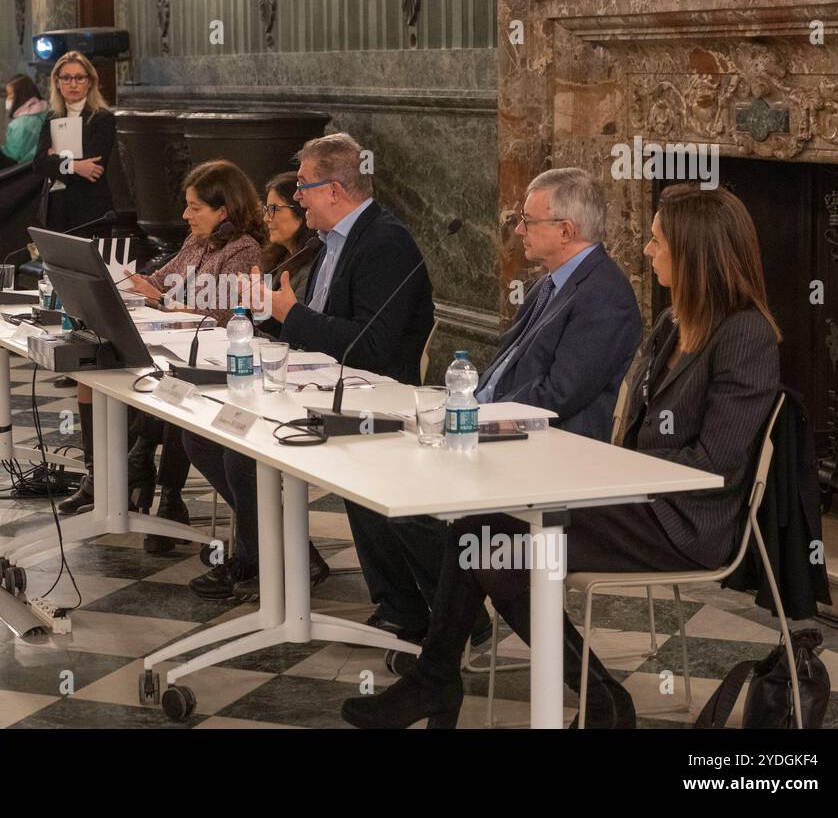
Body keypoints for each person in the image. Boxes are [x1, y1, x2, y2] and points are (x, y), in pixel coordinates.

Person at [341, 183, 782, 729]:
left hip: (683, 519)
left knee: (493, 540)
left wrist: (612, 475)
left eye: (656, 242)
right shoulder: (675, 323)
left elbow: (714, 465)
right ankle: (448, 679)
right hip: (635, 494)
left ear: (695, 254)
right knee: (481, 531)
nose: (646, 252)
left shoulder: (746, 336)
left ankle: (576, 696)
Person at [351, 168, 643, 642]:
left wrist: (474, 419)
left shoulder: (604, 296)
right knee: (372, 483)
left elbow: (557, 398)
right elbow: (507, 366)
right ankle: (430, 625)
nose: (519, 230)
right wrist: (459, 407)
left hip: (550, 454)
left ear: (566, 230)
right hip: (493, 427)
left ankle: (447, 634)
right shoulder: (553, 281)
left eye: (528, 221)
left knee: (417, 507)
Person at [183, 133, 435, 602]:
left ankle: (403, 604)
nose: (296, 197)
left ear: (335, 190)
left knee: (242, 449)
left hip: (371, 398)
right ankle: (278, 556)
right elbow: (310, 324)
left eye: (303, 186)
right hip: (315, 384)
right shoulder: (330, 241)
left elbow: (371, 346)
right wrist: (266, 313)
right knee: (203, 431)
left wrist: (288, 315)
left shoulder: (384, 242)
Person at [57, 161, 267, 534]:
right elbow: (160, 280)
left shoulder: (243, 249)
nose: (185, 215)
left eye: (195, 208)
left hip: (222, 359)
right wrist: (128, 282)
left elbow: (225, 315)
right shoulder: (196, 240)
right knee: (108, 372)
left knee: (172, 390)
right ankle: (115, 472)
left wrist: (164, 303)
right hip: (178, 344)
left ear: (225, 210)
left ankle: (159, 484)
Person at [34, 52, 117, 233]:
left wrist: (55, 160)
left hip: (89, 207)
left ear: (89, 82)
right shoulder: (51, 117)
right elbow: (40, 162)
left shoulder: (102, 118)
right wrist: (74, 166)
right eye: (66, 78)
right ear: (57, 82)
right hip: (56, 206)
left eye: (79, 78)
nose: (73, 84)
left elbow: (93, 167)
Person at [261, 171, 322, 299]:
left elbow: (298, 317)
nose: (266, 218)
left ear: (301, 210)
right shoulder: (278, 258)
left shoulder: (313, 265)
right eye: (266, 209)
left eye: (274, 209)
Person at [0, 74, 49, 166]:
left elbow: (13, 155)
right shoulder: (46, 113)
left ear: (20, 96)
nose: (7, 99)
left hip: (22, 172)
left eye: (10, 95)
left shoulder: (20, 125)